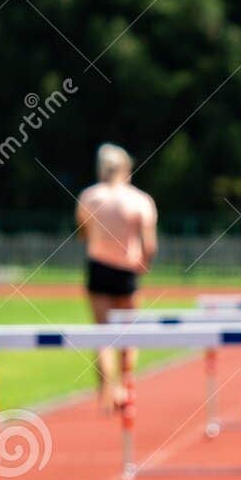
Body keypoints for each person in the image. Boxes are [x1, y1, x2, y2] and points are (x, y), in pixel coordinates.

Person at [76, 143, 158, 409]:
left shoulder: (89, 197)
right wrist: (144, 264)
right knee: (128, 334)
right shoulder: (140, 200)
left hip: (98, 266)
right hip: (127, 270)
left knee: (102, 335)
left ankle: (105, 392)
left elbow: (83, 233)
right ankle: (125, 386)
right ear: (126, 169)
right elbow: (150, 245)